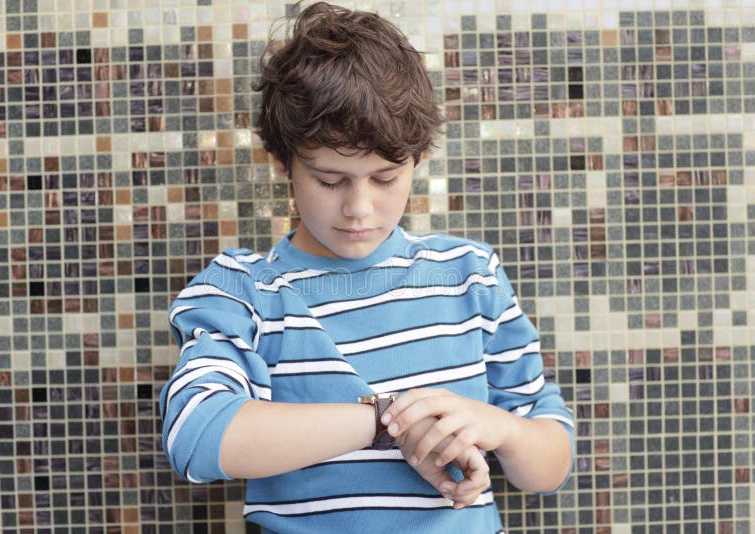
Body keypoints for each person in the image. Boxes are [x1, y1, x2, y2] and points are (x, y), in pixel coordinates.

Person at [159, 2, 574, 532]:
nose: (358, 209)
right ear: (283, 162)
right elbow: (195, 439)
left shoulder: (470, 275)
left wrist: (498, 428)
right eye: (330, 180)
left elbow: (549, 463)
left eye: (383, 179)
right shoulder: (244, 291)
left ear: (417, 160)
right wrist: (386, 421)